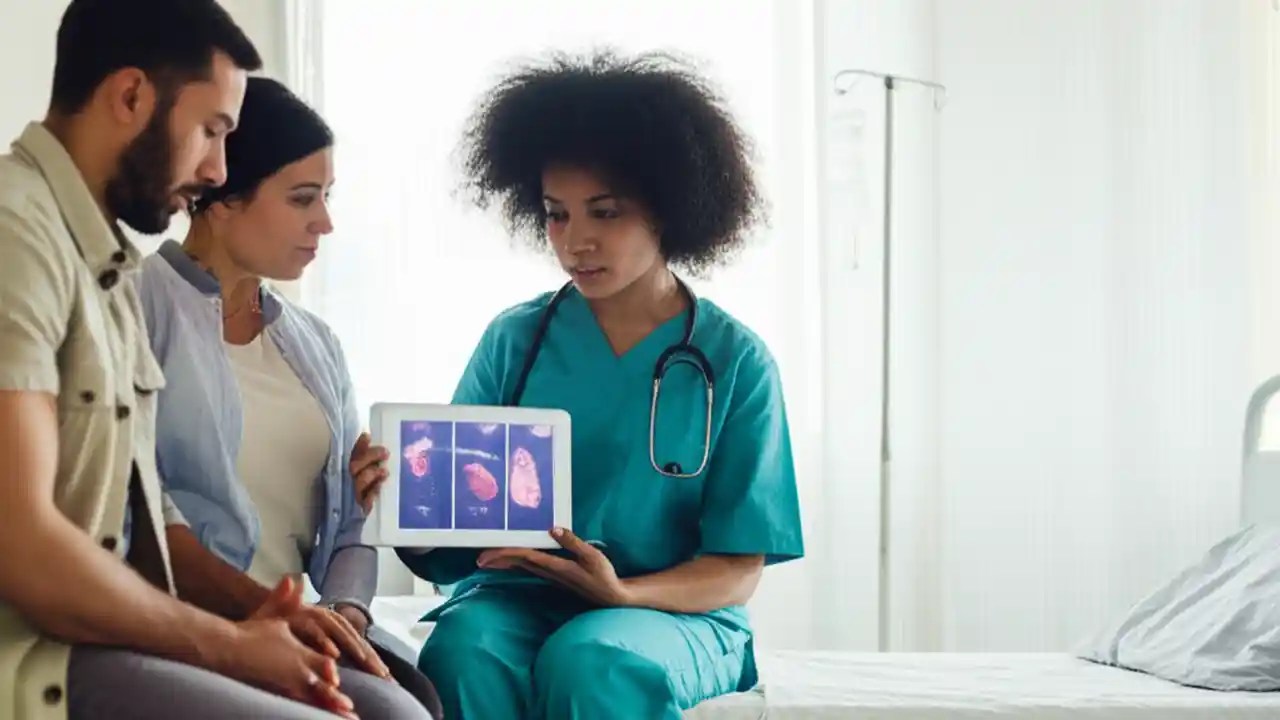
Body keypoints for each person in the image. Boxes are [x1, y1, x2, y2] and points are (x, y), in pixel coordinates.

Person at [396, 50, 806, 719]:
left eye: (604, 213)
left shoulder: (735, 363)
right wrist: (401, 505)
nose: (574, 241)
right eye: (557, 214)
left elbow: (736, 570)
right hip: (518, 603)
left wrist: (622, 594)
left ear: (671, 209)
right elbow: (453, 532)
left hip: (668, 613)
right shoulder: (516, 341)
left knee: (593, 660)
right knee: (460, 651)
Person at [0, 1, 373, 718]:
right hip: (37, 650)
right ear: (131, 96)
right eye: (211, 130)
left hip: (112, 631)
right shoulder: (20, 236)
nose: (216, 170)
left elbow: (144, 532)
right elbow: (22, 548)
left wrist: (270, 617)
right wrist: (231, 644)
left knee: (395, 706)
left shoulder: (100, 264)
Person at [135, 75, 441, 719]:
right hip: (193, 623)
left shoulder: (315, 344)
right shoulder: (135, 310)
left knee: (419, 696)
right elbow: (141, 518)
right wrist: (281, 616)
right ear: (221, 196)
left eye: (327, 197)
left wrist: (347, 612)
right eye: (303, 198)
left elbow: (353, 514)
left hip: (301, 620)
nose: (325, 223)